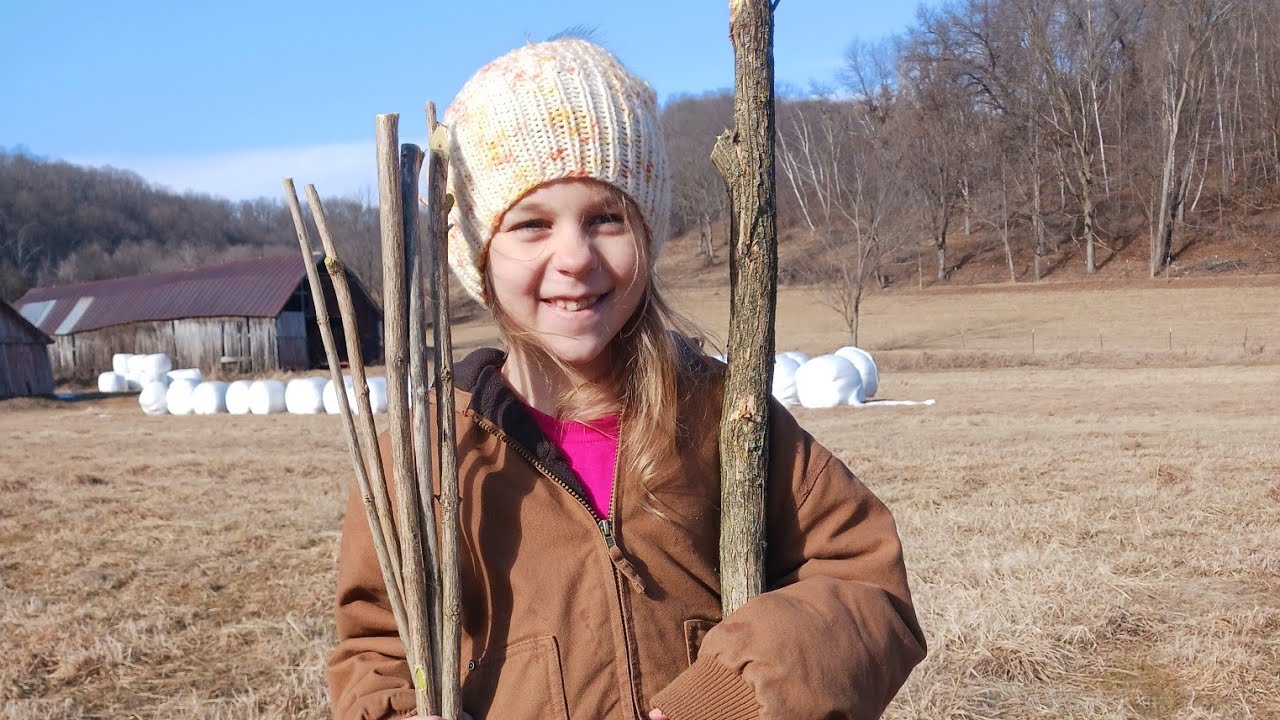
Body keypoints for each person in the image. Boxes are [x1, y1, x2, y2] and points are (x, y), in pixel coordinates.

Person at [327, 38, 926, 720]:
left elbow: (864, 580)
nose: (575, 257)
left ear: (647, 231)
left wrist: (731, 694)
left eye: (606, 218)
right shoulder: (423, 458)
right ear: (479, 257)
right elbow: (375, 649)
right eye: (531, 225)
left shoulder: (724, 416)